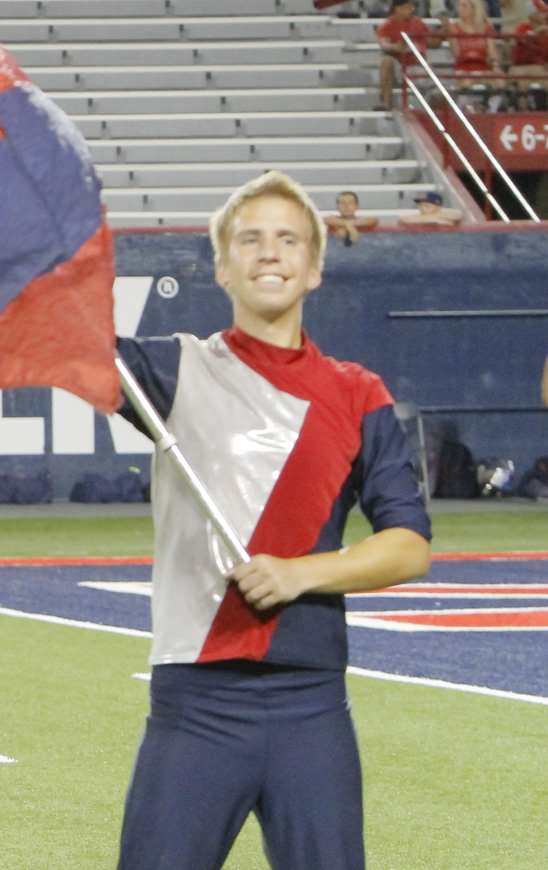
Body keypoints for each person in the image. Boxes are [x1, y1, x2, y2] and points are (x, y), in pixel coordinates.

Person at [113, 170, 431, 870]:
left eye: (288, 240)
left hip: (311, 705)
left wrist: (298, 574)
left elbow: (408, 546)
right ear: (222, 266)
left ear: (314, 269)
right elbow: (61, 342)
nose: (269, 252)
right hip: (194, 704)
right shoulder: (172, 370)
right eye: (249, 239)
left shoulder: (357, 393)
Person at [376, 0, 437, 107]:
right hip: (400, 66)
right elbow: (384, 45)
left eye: (413, 6)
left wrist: (443, 32)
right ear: (398, 8)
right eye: (409, 6)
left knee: (440, 94)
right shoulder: (387, 25)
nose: (413, 9)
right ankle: (386, 103)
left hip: (420, 65)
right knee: (386, 60)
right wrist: (397, 47)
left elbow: (432, 42)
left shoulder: (418, 22)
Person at [441, 0, 502, 98]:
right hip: (463, 67)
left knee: (499, 81)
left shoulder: (486, 28)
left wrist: (495, 67)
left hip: (482, 67)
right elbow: (456, 54)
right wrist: (450, 35)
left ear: (474, 9)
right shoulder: (454, 27)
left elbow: (492, 53)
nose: (460, 9)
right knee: (466, 81)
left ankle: (491, 109)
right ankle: (462, 108)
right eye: (460, 5)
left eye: (464, 6)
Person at [510, 8, 548, 102]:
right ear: (532, 15)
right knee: (520, 81)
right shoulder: (523, 27)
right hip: (521, 67)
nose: (545, 15)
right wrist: (536, 32)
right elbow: (523, 40)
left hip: (541, 67)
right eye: (541, 12)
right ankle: (522, 111)